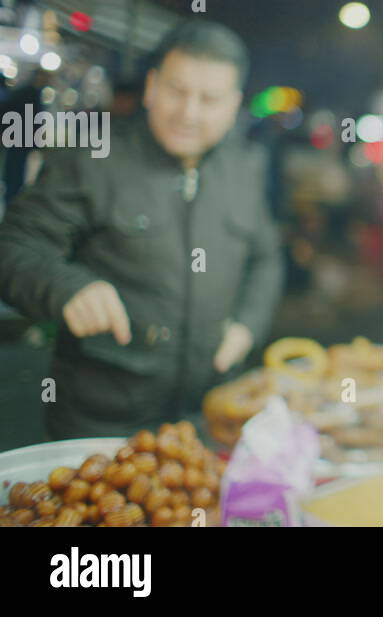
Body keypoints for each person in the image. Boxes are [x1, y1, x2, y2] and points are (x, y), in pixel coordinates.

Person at [0, 20, 284, 440]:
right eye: (176, 90)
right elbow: (15, 246)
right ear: (151, 86)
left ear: (232, 105)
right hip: (100, 421)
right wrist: (66, 286)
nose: (188, 113)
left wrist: (246, 326)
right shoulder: (92, 157)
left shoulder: (244, 168)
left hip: (206, 416)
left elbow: (266, 259)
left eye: (208, 99)